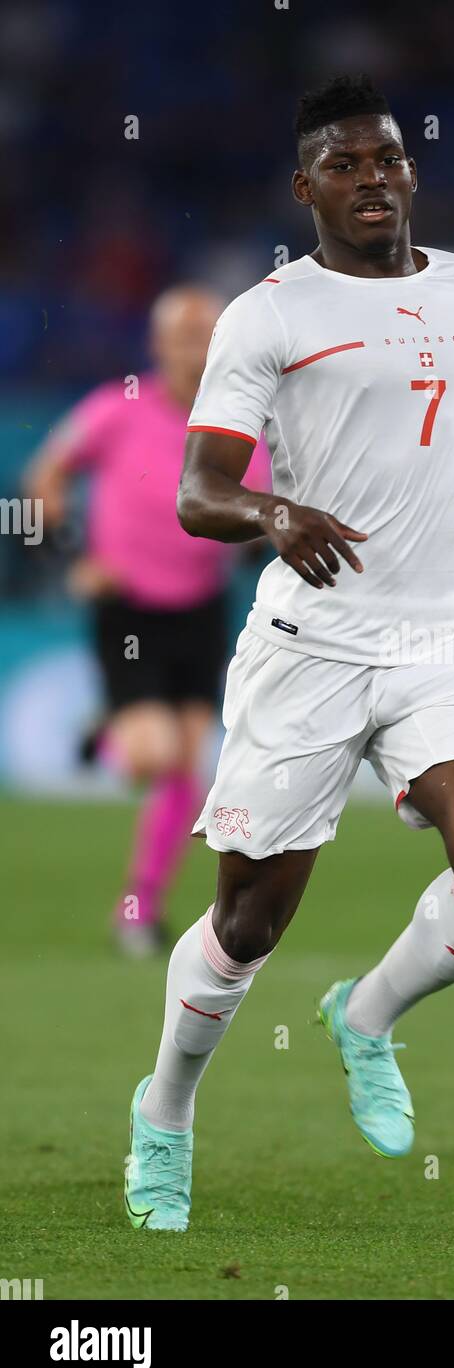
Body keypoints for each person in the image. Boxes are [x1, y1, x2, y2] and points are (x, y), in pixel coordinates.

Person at [123, 74, 454, 1232]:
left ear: (412, 172)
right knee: (250, 923)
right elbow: (198, 489)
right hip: (313, 642)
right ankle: (165, 1111)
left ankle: (364, 1015)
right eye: (346, 165)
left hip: (445, 639)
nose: (374, 180)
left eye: (389, 159)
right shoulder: (269, 315)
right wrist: (275, 514)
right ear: (304, 186)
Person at [25, 286, 272, 955]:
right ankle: (109, 735)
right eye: (184, 335)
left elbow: (259, 517)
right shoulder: (116, 407)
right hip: (128, 606)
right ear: (159, 345)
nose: (197, 348)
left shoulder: (243, 428)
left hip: (200, 608)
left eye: (208, 334)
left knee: (187, 772)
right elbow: (46, 475)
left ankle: (138, 911)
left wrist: (261, 537)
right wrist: (71, 551)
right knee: (152, 756)